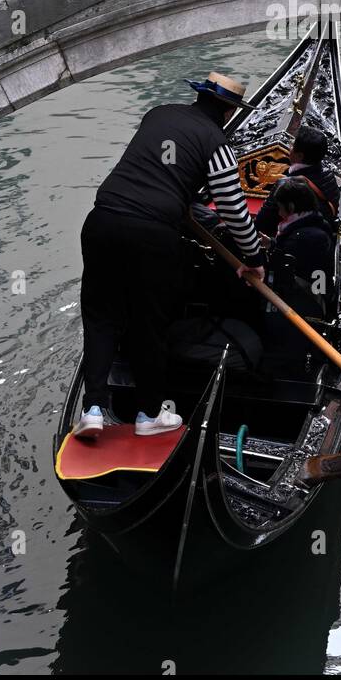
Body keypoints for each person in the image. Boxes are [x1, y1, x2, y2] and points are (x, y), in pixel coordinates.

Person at [74, 70, 265, 439]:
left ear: (199, 97)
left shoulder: (158, 113)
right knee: (149, 323)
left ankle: (93, 409)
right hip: (152, 236)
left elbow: (158, 167)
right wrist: (253, 259)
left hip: (102, 220)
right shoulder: (217, 142)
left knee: (101, 317)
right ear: (228, 112)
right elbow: (233, 210)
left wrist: (184, 205)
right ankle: (148, 416)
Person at [240, 177, 336, 368]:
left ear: (290, 206)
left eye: (280, 206)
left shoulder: (302, 238)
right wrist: (272, 243)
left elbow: (290, 260)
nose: (278, 211)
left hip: (302, 306)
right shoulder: (313, 225)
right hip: (307, 290)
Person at [255, 124, 338, 238]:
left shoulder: (285, 185)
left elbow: (261, 223)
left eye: (292, 145)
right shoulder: (329, 176)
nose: (290, 148)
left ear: (299, 155)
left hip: (291, 242)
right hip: (322, 237)